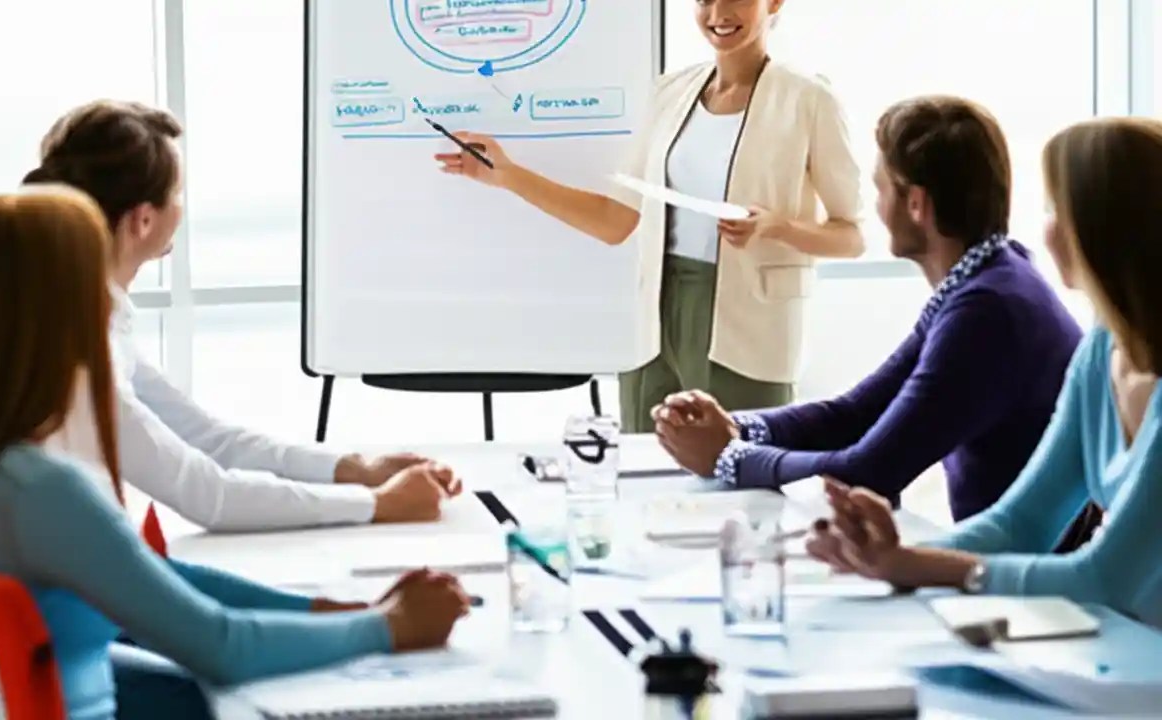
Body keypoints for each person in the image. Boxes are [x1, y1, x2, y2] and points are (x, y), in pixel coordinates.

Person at [0, 188, 471, 719]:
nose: (110, 307)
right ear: (48, 318)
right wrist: (387, 627)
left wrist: (332, 613)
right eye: (92, 287)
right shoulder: (43, 493)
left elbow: (154, 577)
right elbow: (222, 646)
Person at [23, 100, 459, 532]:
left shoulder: (88, 317)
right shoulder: (80, 347)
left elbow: (207, 438)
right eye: (178, 193)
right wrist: (376, 503)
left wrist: (356, 468)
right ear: (143, 220)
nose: (183, 207)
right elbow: (207, 495)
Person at [435, 0, 864, 432]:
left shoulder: (809, 100)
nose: (718, 12)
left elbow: (851, 236)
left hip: (749, 325)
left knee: (741, 477)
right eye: (703, 0)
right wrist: (509, 176)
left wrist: (777, 227)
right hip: (657, 315)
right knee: (645, 475)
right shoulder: (670, 93)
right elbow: (614, 220)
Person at [652, 96, 1083, 522]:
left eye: (880, 188)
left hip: (1021, 578)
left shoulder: (988, 312)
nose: (875, 207)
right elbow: (855, 414)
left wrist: (728, 456)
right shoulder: (989, 276)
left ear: (916, 204)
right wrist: (736, 427)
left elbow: (869, 473)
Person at [806, 117, 1162, 626]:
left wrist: (918, 564)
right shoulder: (1102, 349)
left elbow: (1104, 579)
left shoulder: (993, 306)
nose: (1047, 228)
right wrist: (886, 558)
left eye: (1054, 210)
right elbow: (1022, 521)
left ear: (1104, 228)